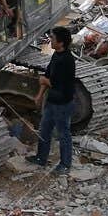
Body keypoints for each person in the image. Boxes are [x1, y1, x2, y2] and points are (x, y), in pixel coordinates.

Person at [32, 26, 77, 174]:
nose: (49, 40)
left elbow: (55, 83)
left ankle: (65, 164)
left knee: (63, 133)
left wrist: (44, 81)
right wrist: (39, 95)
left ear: (61, 42)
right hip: (52, 102)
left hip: (63, 103)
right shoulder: (56, 55)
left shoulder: (67, 60)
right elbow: (47, 75)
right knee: (44, 129)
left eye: (52, 38)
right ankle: (41, 157)